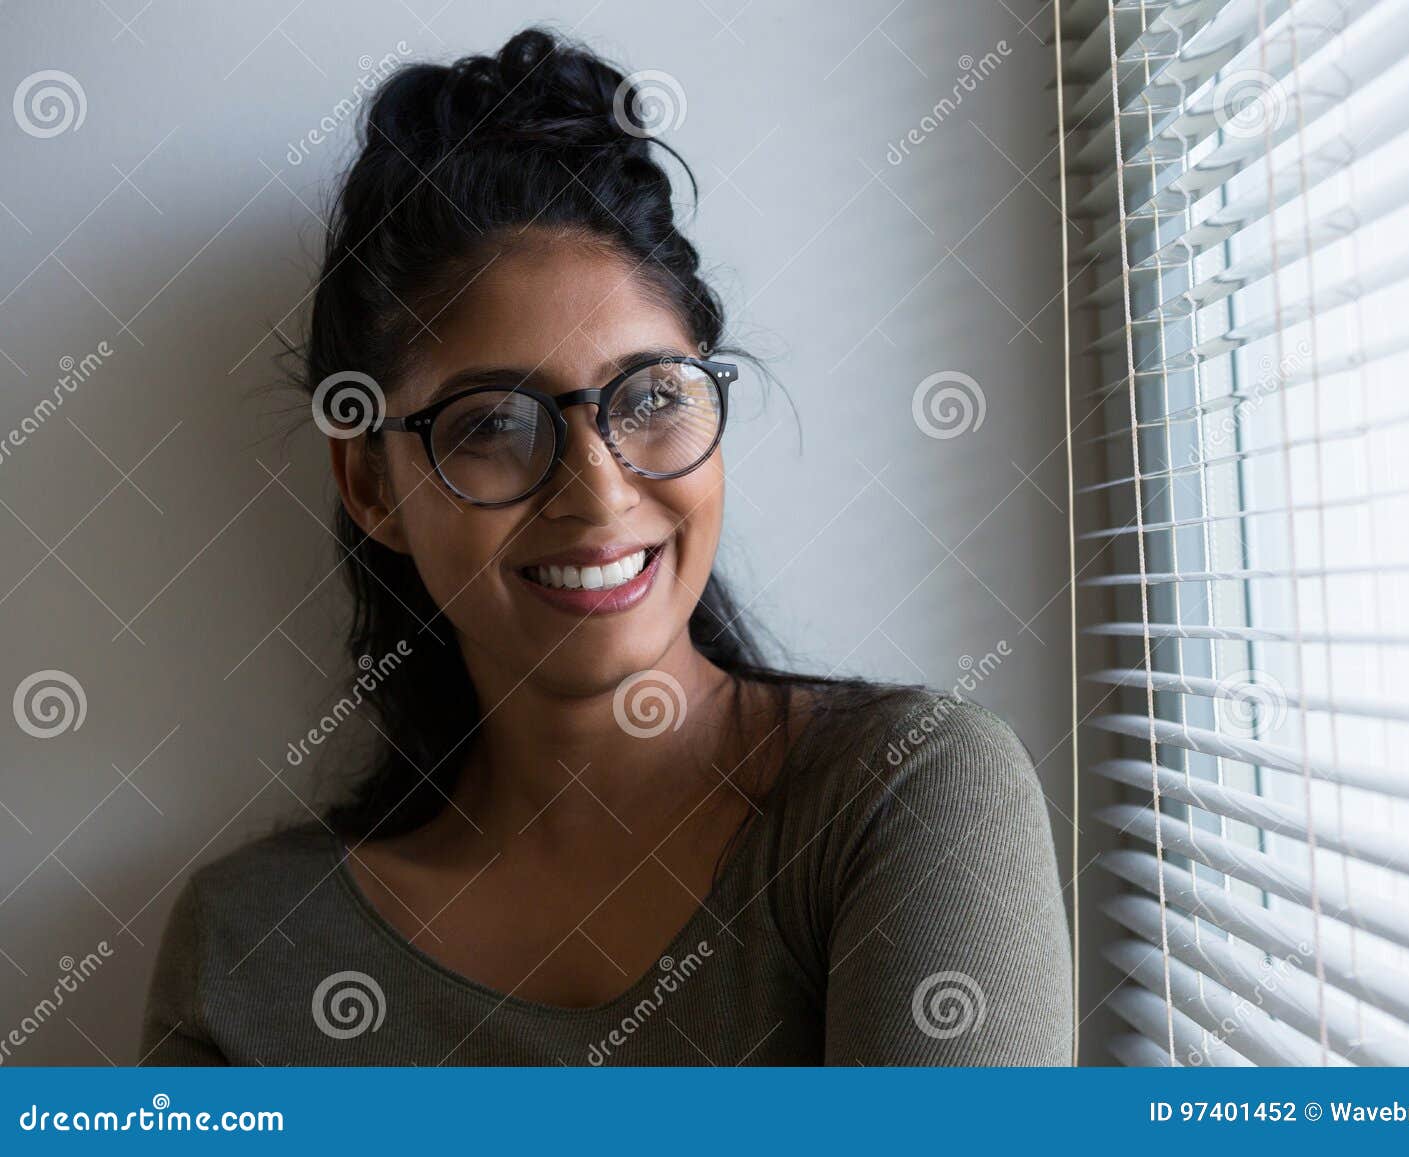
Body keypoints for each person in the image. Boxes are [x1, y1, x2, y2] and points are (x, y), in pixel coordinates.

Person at [140, 25, 1072, 1066]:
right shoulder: (252, 949)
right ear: (372, 484)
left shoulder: (903, 799)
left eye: (650, 398)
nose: (596, 493)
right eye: (494, 422)